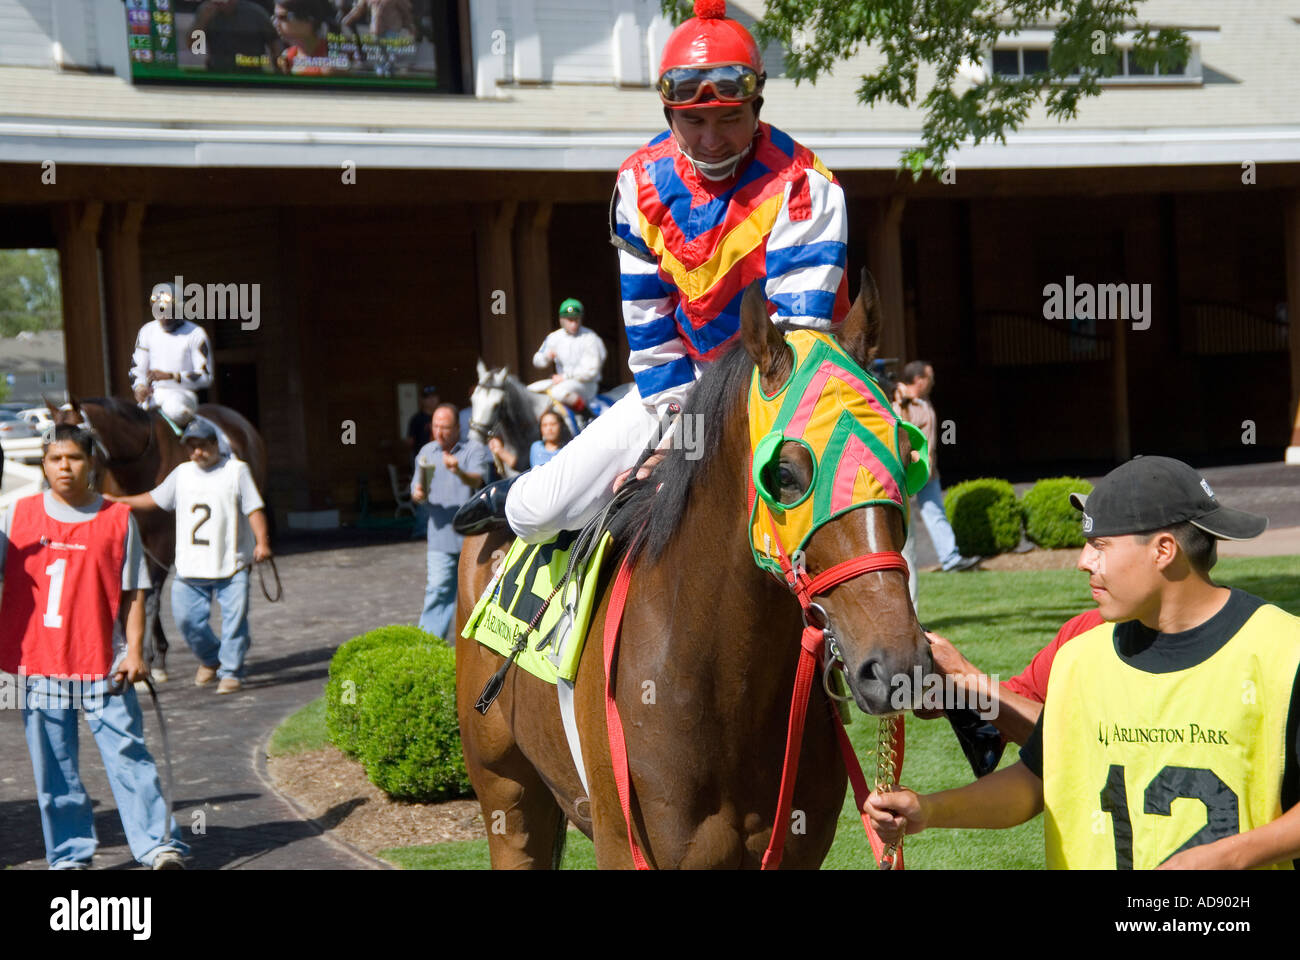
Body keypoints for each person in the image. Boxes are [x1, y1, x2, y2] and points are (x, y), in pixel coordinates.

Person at [455, 0, 850, 541]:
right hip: (681, 388)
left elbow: (795, 344)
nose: (711, 139)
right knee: (539, 514)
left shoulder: (805, 186)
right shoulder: (638, 184)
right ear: (669, 114)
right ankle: (515, 497)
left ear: (756, 105)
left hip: (794, 389)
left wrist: (695, 452)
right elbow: (651, 332)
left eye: (729, 119)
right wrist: (680, 440)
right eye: (694, 121)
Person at [867, 456, 1300, 870]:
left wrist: (1231, 857)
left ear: (1164, 550)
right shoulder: (1079, 655)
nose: (1082, 561)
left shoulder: (1285, 653)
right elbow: (1036, 780)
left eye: (1100, 545)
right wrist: (930, 809)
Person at [0, 424, 189, 869]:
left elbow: (135, 593)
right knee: (54, 768)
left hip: (105, 663)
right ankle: (69, 856)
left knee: (129, 755)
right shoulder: (16, 516)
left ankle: (159, 846)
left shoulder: (118, 518)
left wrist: (136, 651)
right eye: (55, 458)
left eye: (74, 458)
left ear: (90, 463)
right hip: (39, 666)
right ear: (44, 464)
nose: (64, 467)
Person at [106, 419, 271, 695]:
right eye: (192, 447)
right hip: (191, 564)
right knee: (186, 620)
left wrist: (262, 542)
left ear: (215, 444)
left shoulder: (236, 470)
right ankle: (211, 657)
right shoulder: (182, 473)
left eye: (203, 446)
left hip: (231, 562)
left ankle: (231, 672)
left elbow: (253, 508)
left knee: (235, 622)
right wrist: (119, 501)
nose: (197, 452)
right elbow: (155, 499)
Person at [923, 607, 1104, 745]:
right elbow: (1024, 697)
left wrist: (961, 673)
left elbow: (1082, 741)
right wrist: (949, 696)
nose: (1084, 568)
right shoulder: (1083, 628)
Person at [411, 404, 490, 640]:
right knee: (438, 590)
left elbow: (477, 481)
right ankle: (429, 644)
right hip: (440, 536)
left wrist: (459, 471)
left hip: (472, 539)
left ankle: (477, 646)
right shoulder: (426, 452)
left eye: (445, 427)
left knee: (475, 594)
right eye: (435, 426)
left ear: (457, 428)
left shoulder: (473, 449)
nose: (439, 432)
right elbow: (416, 490)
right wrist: (418, 494)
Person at [896, 360, 980, 572]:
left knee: (935, 512)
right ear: (919, 380)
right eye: (930, 377)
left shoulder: (923, 401)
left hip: (929, 471)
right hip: (909, 471)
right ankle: (900, 562)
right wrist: (902, 400)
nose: (933, 381)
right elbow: (902, 433)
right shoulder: (900, 403)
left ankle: (950, 558)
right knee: (902, 518)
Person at [130, 282, 214, 431]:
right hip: (152, 397)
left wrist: (170, 376)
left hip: (182, 396)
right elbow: (137, 369)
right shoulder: (147, 331)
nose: (163, 314)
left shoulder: (196, 333)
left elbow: (205, 376)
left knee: (174, 410)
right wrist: (140, 387)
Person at [528, 298, 607, 413]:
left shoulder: (590, 337)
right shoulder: (554, 337)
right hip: (561, 382)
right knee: (530, 390)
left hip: (585, 384)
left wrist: (564, 377)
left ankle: (586, 414)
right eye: (570, 320)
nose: (573, 324)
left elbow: (591, 371)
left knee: (557, 392)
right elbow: (537, 361)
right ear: (561, 320)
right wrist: (546, 357)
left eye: (576, 319)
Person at [192, 0, 283, 72]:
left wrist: (279, 71)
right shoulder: (205, 11)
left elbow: (275, 42)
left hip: (251, 74)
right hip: (217, 74)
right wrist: (202, 21)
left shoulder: (255, 13)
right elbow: (192, 46)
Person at [488, 408, 572, 474]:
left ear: (561, 426)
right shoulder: (535, 447)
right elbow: (519, 465)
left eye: (553, 424)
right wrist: (499, 450)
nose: (549, 428)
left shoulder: (568, 449)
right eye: (545, 425)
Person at [405, 385, 439, 469]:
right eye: (427, 397)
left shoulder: (443, 416)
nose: (431, 399)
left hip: (441, 457)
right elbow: (410, 441)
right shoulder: (416, 419)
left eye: (433, 396)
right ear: (422, 400)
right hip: (423, 459)